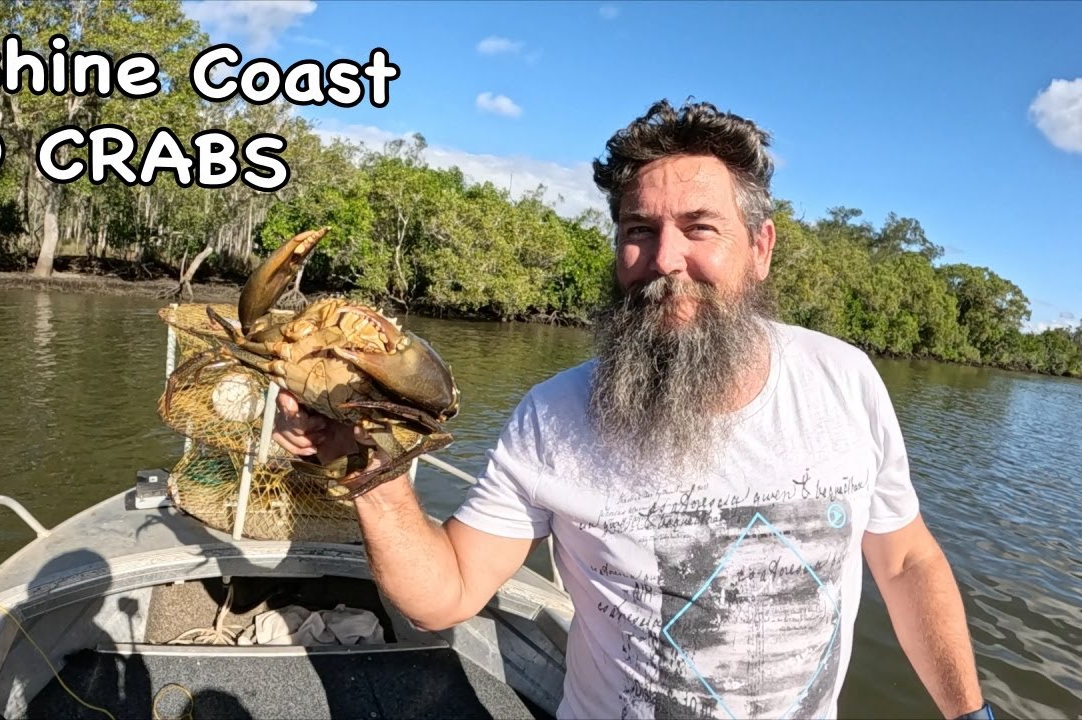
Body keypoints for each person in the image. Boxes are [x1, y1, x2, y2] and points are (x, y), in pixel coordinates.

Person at [271, 99, 991, 720]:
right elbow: (446, 595)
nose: (664, 259)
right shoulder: (553, 417)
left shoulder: (844, 380)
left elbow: (904, 561)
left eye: (700, 228)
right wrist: (373, 466)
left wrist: (970, 712)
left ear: (760, 248)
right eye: (639, 231)